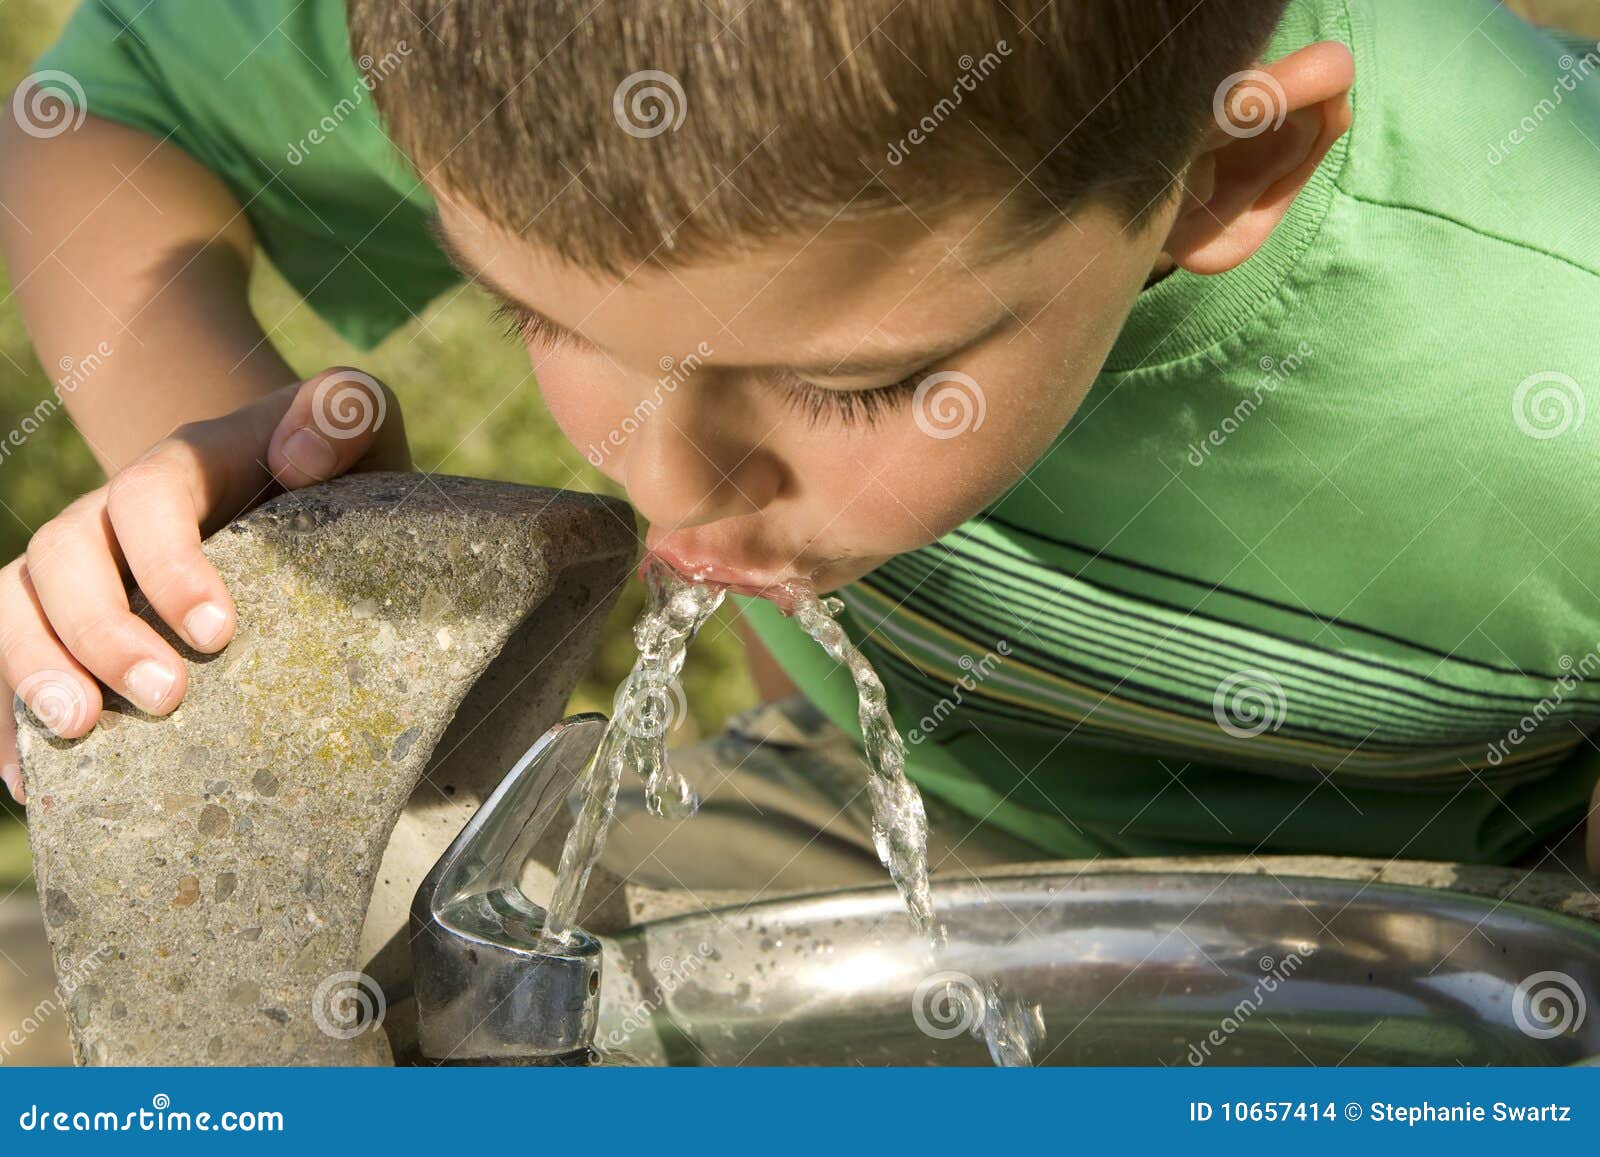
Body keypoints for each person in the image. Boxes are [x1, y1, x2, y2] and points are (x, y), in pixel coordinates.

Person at [3, 0, 1598, 887]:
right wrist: (240, 486)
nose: (665, 484)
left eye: (856, 387)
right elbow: (95, 117)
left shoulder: (1547, 334)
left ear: (1224, 173)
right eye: (533, 314)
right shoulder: (559, 41)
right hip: (854, 809)